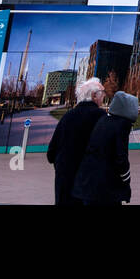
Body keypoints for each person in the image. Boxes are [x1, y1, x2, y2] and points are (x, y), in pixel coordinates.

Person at [46, 77, 106, 205]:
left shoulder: (67, 116)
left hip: (64, 182)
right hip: (88, 186)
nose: (104, 98)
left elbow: (51, 153)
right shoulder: (100, 117)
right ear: (94, 95)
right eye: (103, 94)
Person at [72, 91, 138, 205]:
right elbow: (121, 158)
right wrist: (126, 180)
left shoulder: (104, 120)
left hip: (87, 183)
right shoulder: (121, 125)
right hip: (104, 187)